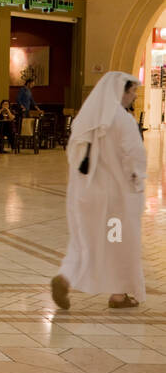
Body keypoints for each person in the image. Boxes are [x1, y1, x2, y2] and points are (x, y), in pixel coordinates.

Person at [51, 72, 146, 310]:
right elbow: (134, 159)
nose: (133, 96)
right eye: (132, 91)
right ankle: (119, 294)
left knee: (84, 241)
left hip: (86, 195)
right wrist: (138, 186)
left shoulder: (86, 119)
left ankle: (66, 276)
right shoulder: (123, 120)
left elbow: (74, 156)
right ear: (120, 91)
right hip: (116, 198)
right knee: (120, 242)